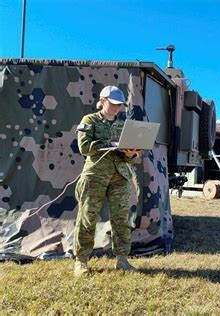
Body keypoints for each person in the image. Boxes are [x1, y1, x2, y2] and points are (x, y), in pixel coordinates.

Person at [73, 85, 141, 277]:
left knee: (122, 219)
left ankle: (122, 259)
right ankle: (81, 261)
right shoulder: (90, 120)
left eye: (119, 105)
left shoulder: (123, 125)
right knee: (88, 217)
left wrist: (131, 153)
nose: (116, 108)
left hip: (120, 176)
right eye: (113, 104)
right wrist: (112, 145)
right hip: (95, 175)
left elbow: (128, 158)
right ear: (102, 101)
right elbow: (84, 147)